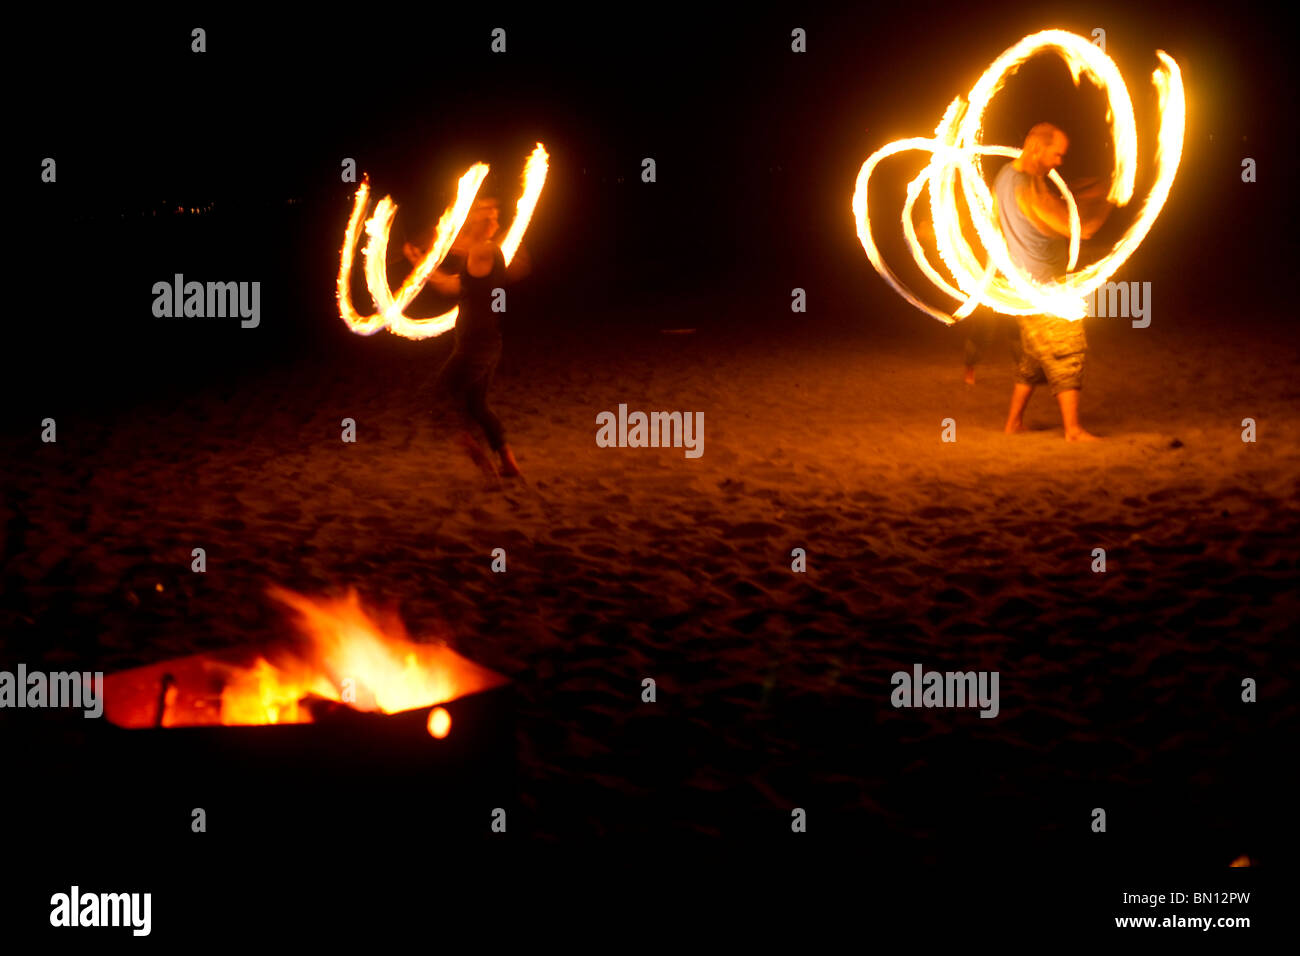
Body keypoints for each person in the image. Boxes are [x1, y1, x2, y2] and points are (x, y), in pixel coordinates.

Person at [994, 123, 1113, 441]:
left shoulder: (1006, 175)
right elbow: (1082, 228)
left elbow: (1010, 224)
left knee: (1033, 358)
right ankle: (1073, 430)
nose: (1060, 161)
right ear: (1035, 146)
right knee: (1068, 351)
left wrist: (1076, 193)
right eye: (1057, 154)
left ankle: (1014, 423)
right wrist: (1111, 197)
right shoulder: (1029, 189)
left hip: (1024, 287)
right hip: (1047, 289)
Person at [404, 197, 531, 478]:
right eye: (486, 216)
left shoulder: (486, 250)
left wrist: (438, 239)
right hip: (485, 343)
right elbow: (451, 287)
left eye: (492, 217)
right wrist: (421, 264)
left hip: (476, 346)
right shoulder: (478, 256)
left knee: (437, 399)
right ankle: (508, 461)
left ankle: (476, 453)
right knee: (477, 405)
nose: (492, 221)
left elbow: (455, 243)